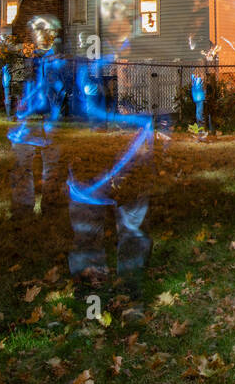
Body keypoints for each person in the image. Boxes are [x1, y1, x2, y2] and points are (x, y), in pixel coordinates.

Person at [68, 49, 155, 285]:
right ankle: (95, 277)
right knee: (92, 223)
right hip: (94, 167)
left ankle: (126, 278)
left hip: (115, 170)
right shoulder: (88, 88)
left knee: (128, 219)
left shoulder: (102, 89)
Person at [8, 15, 69, 217]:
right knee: (21, 164)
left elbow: (64, 91)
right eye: (36, 32)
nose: (39, 36)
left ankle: (51, 206)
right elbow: (16, 89)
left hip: (50, 122)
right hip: (26, 121)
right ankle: (22, 207)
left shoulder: (58, 63)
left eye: (44, 32)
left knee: (52, 166)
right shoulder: (26, 61)